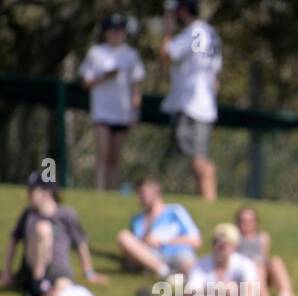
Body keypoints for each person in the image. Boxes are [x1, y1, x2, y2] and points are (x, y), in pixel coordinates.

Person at [3, 174, 103, 296]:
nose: (28, 195)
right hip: (31, 271)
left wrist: (89, 272)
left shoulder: (66, 214)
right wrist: (6, 273)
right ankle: (36, 285)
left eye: (32, 191)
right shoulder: (28, 214)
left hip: (58, 270)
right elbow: (13, 240)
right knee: (42, 229)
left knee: (63, 293)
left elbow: (80, 243)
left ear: (47, 192)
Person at [159, 0, 221, 201]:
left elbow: (166, 55)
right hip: (202, 103)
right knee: (197, 158)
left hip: (193, 105)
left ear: (183, 11)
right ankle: (206, 198)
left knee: (199, 159)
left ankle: (209, 199)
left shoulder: (194, 33)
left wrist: (167, 32)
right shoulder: (210, 33)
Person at [79, 13, 145, 192]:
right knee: (103, 154)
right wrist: (105, 76)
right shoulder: (96, 53)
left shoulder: (131, 55)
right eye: (113, 30)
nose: (117, 34)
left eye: (120, 30)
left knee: (115, 157)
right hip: (102, 112)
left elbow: (136, 87)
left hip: (123, 113)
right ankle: (99, 190)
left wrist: (134, 112)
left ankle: (112, 191)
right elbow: (86, 82)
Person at [116, 177, 201, 281]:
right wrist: (146, 242)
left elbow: (196, 241)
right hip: (151, 256)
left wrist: (162, 241)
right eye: (138, 193)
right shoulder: (137, 220)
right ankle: (165, 272)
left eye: (142, 192)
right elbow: (134, 247)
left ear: (156, 192)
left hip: (178, 252)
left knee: (191, 268)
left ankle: (188, 282)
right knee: (123, 236)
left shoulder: (175, 211)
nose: (139, 197)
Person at [234, 206, 295, 296]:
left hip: (262, 271)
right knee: (257, 266)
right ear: (238, 223)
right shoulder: (235, 238)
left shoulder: (263, 237)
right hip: (245, 276)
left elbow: (264, 256)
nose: (247, 224)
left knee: (276, 261)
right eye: (244, 221)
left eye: (251, 221)